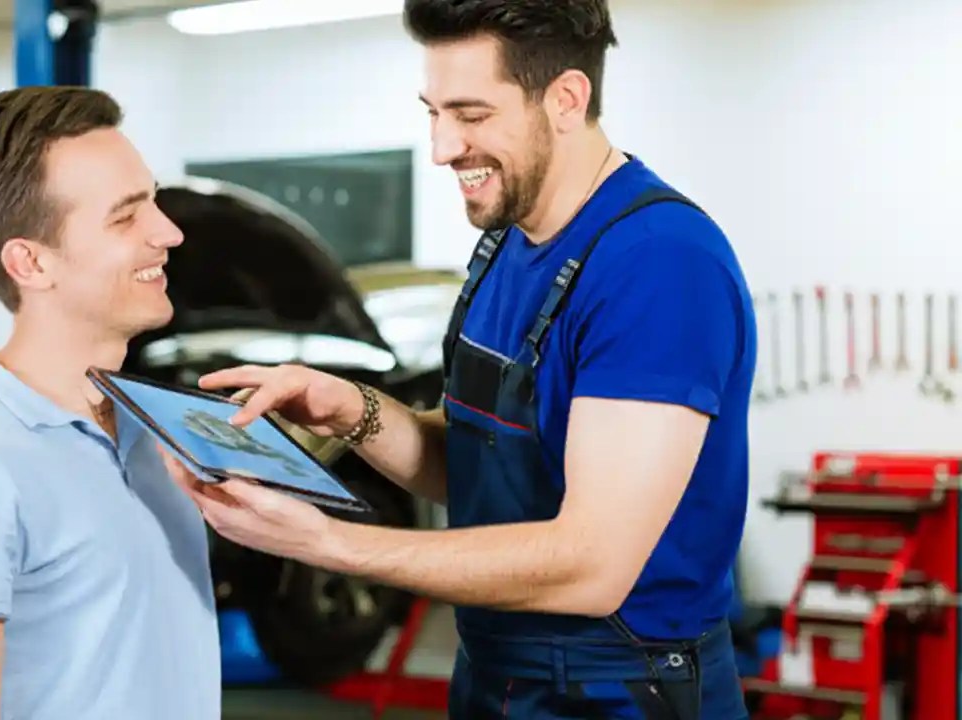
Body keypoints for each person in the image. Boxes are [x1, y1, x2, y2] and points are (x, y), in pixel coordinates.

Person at [159, 1, 755, 717]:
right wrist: (354, 410)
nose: (443, 147)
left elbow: (591, 567)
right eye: (433, 111)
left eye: (471, 115)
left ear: (566, 99)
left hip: (623, 692)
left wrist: (330, 543)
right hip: (499, 675)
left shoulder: (658, 265)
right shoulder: (506, 244)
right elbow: (475, 468)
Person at [0, 86, 219, 719]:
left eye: (155, 201)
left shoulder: (152, 433)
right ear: (29, 262)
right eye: (125, 215)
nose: (168, 231)